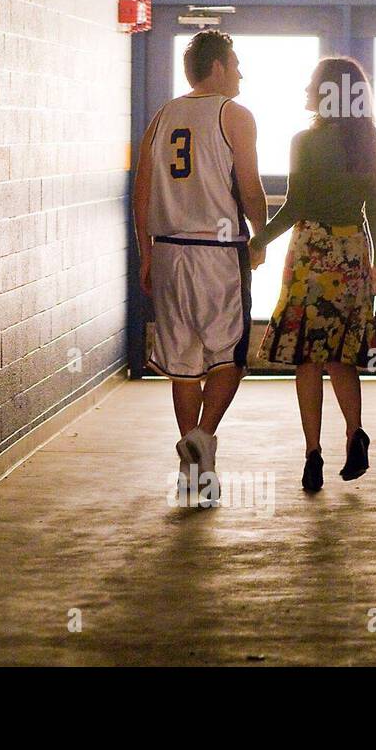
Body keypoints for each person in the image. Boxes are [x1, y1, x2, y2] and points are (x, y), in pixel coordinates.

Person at [133, 30, 268, 506]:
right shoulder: (234, 115)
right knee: (229, 357)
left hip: (169, 250)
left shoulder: (161, 117)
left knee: (185, 366)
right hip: (217, 250)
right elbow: (250, 188)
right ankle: (203, 436)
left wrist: (147, 253)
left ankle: (196, 473)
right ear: (217, 68)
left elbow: (142, 191)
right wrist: (262, 233)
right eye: (235, 64)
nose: (240, 73)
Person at [248, 55, 376, 492]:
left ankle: (313, 455)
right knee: (343, 355)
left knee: (307, 358)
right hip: (351, 253)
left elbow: (295, 206)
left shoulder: (304, 142)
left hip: (312, 253)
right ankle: (356, 432)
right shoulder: (369, 140)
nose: (308, 89)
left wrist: (258, 242)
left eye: (313, 82)